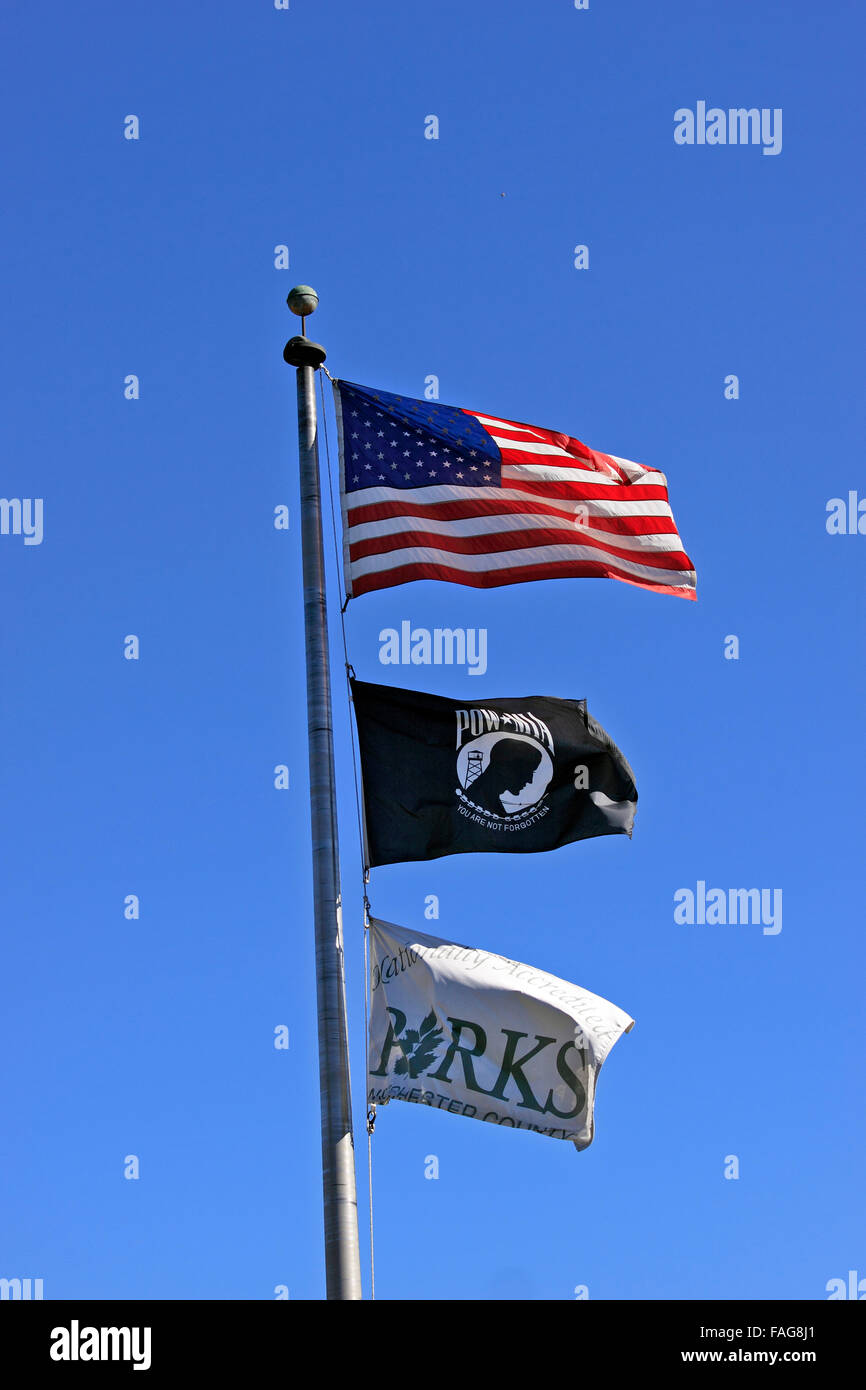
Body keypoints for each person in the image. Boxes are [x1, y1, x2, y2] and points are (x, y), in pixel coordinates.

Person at [464, 738, 542, 816]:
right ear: (503, 768)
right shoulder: (477, 803)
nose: (530, 780)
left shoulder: (482, 800)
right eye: (526, 772)